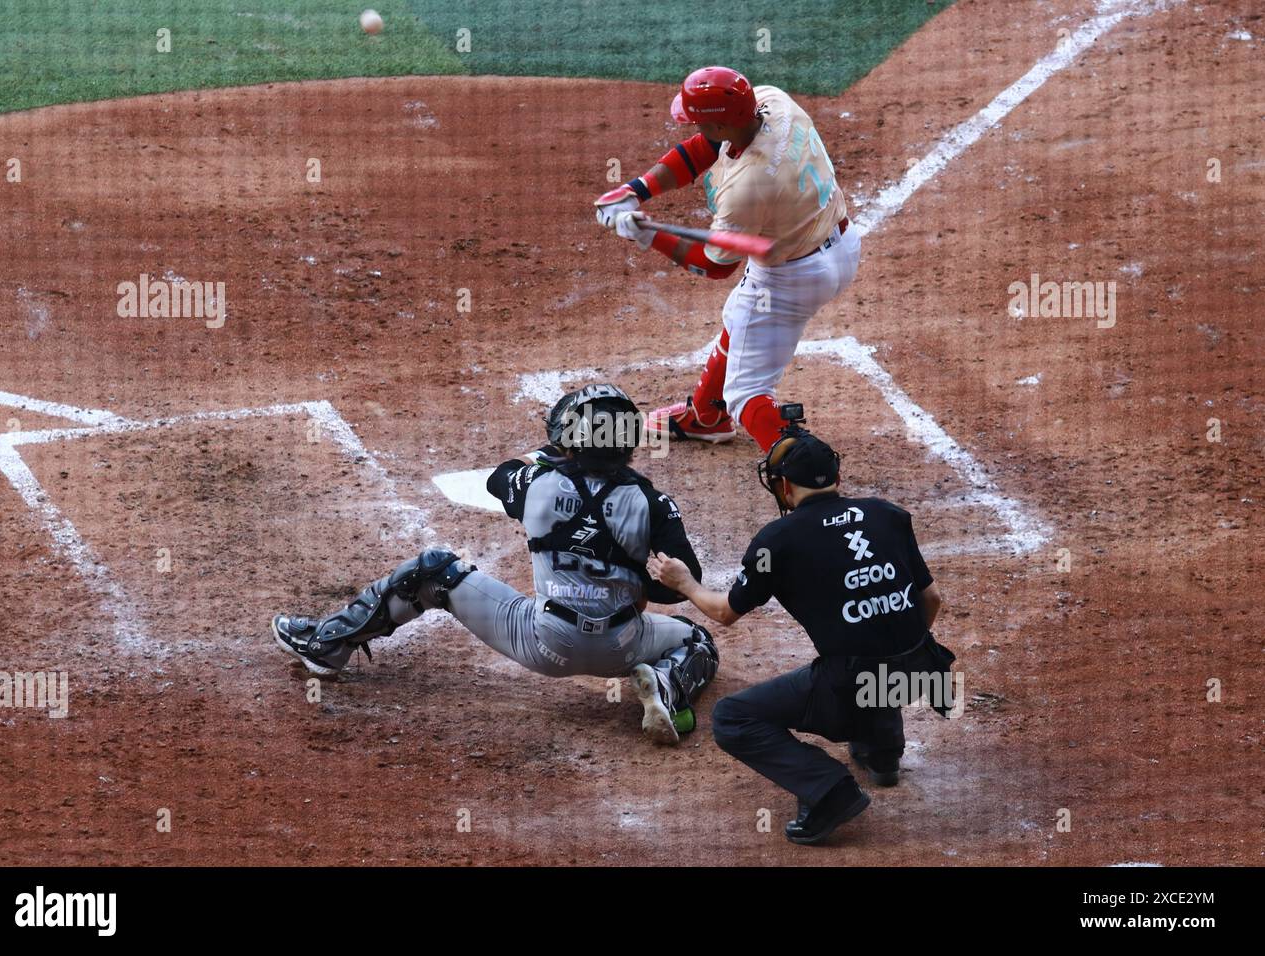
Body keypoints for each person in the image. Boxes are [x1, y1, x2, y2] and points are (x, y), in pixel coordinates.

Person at [272, 384, 718, 745]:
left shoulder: (537, 486)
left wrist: (554, 456)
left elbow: (499, 475)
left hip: (542, 642)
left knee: (435, 571)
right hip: (622, 643)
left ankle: (328, 645)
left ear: (569, 443)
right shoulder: (653, 503)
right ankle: (665, 682)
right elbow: (674, 587)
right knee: (698, 640)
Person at [647, 413, 949, 844]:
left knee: (734, 718)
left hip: (848, 688)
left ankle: (830, 790)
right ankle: (882, 752)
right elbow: (931, 600)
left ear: (784, 487)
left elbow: (726, 613)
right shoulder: (888, 516)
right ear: (837, 475)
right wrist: (907, 657)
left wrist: (685, 583)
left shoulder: (778, 540)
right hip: (920, 673)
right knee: (879, 651)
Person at [594, 65, 860, 451]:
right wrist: (637, 190)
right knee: (743, 313)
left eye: (699, 122)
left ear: (719, 125)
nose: (693, 128)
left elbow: (716, 265)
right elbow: (706, 145)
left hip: (792, 278)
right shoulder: (773, 102)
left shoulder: (746, 189)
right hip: (841, 243)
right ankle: (705, 416)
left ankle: (804, 480)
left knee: (747, 392)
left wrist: (647, 235)